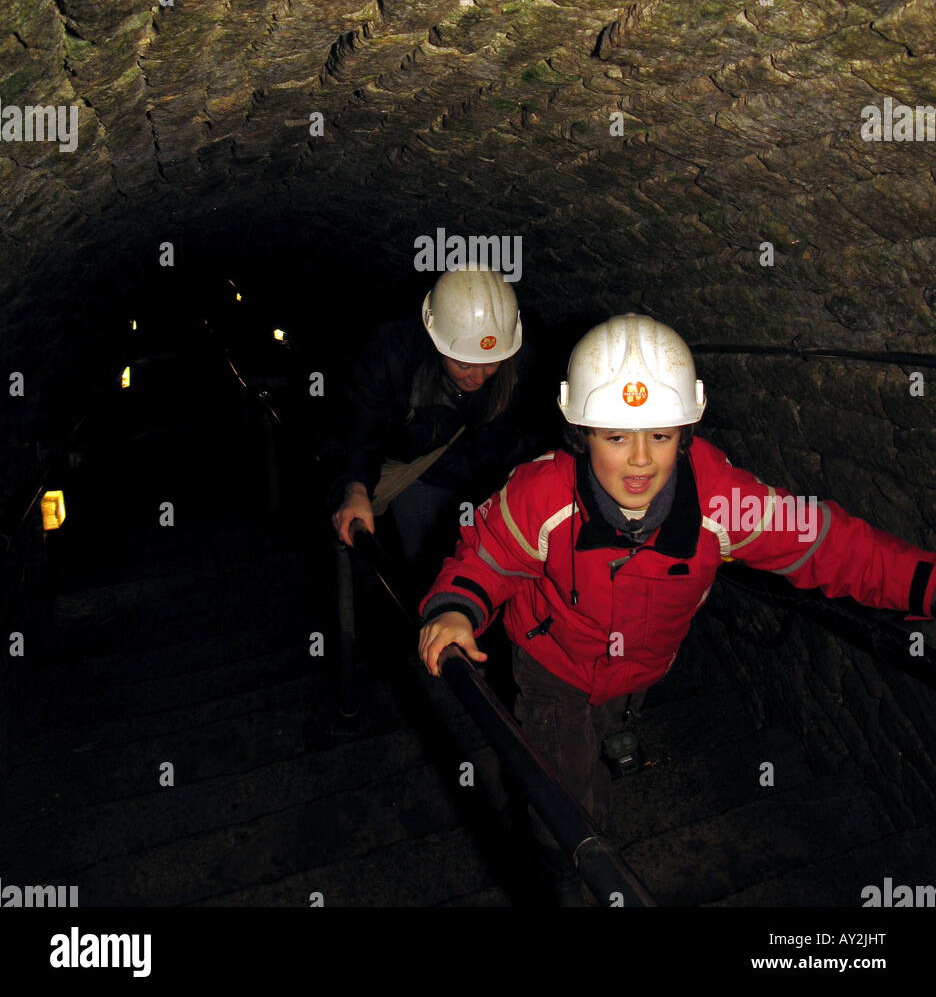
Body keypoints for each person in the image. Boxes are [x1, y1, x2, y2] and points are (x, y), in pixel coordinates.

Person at [418, 313, 936, 902]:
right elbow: (487, 552)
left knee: (602, 735)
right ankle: (567, 877)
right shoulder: (541, 496)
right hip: (551, 668)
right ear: (580, 431)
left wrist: (927, 586)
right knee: (568, 806)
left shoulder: (722, 504)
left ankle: (601, 760)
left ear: (686, 431)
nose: (639, 460)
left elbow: (829, 546)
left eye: (660, 435)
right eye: (616, 437)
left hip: (635, 674)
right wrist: (457, 608)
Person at [329, 268, 531, 583]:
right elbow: (363, 426)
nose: (478, 377)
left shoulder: (520, 360)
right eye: (464, 363)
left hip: (483, 475)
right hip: (422, 472)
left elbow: (514, 439)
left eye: (491, 363)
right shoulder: (392, 353)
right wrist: (356, 488)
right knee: (427, 568)